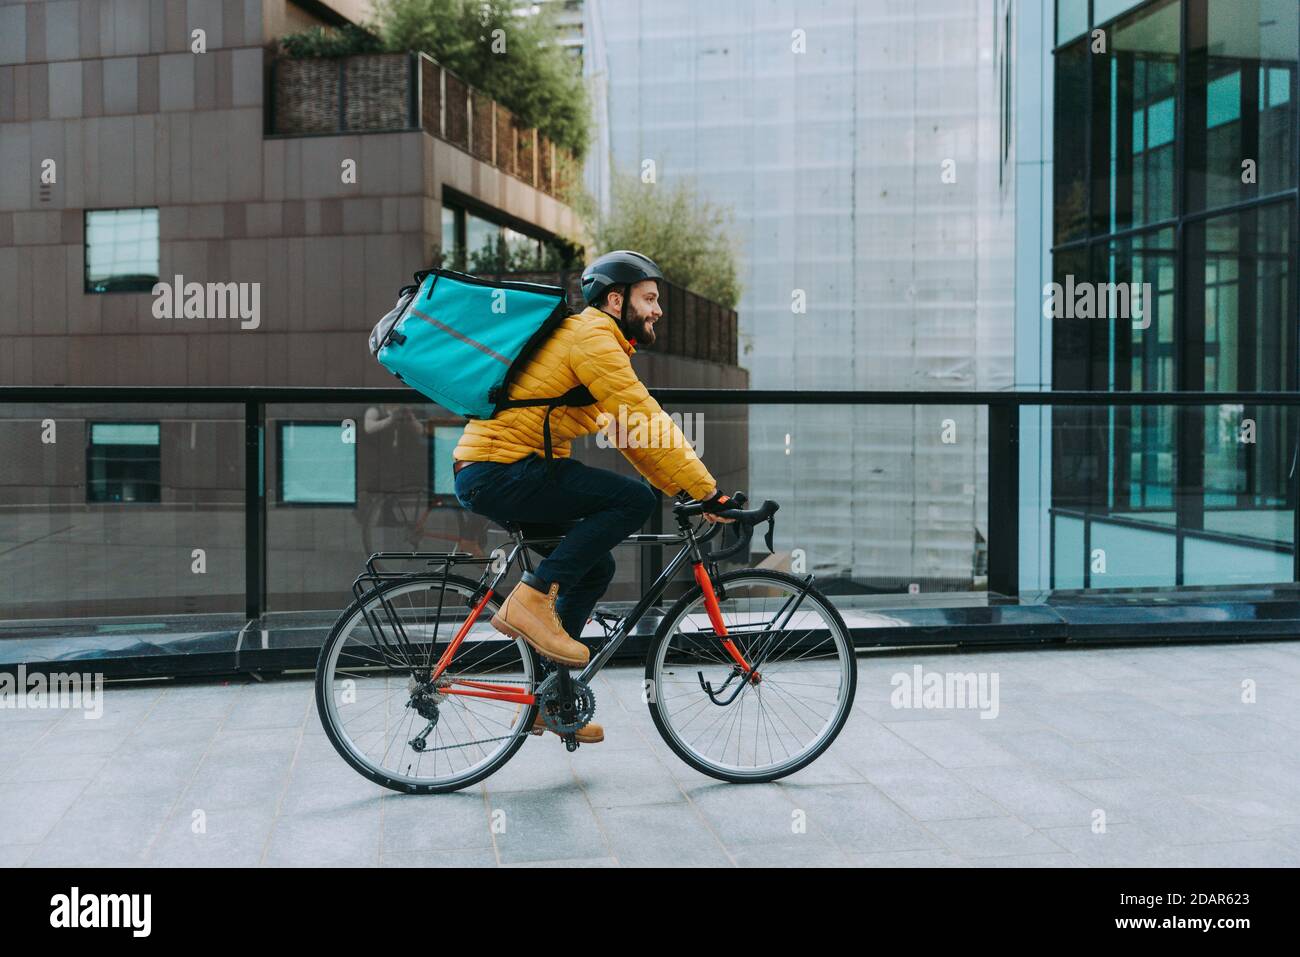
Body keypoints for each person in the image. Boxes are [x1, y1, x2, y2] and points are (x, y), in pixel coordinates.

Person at [452, 250, 738, 744]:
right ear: (615, 299)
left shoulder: (592, 341)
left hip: (497, 469)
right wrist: (706, 489)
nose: (658, 311)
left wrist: (687, 490)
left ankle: (548, 699)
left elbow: (633, 435)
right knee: (631, 502)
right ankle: (530, 599)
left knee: (595, 566)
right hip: (503, 468)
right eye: (649, 299)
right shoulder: (592, 337)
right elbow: (645, 416)